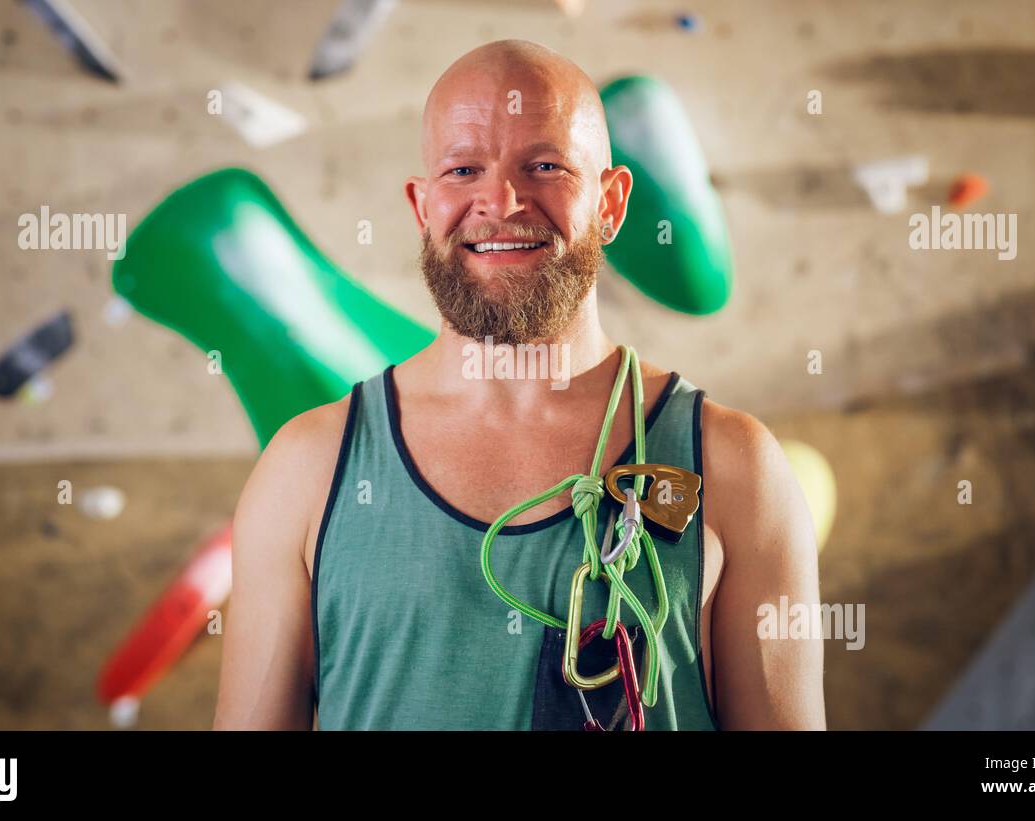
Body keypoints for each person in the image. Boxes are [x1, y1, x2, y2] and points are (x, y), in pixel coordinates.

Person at [214, 39, 825, 730]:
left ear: (612, 202)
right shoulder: (307, 469)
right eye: (463, 169)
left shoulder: (735, 467)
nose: (501, 202)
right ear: (422, 205)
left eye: (544, 166)